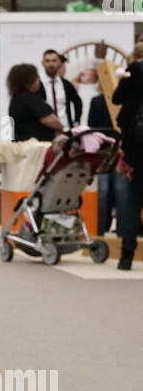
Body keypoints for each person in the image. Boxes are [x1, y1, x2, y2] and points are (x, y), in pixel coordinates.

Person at [110, 56, 143, 269]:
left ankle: (126, 257)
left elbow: (116, 98)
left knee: (133, 201)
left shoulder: (134, 70)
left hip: (137, 147)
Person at [87, 80, 122, 235]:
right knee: (110, 191)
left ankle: (101, 228)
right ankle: (105, 228)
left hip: (109, 150)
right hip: (108, 150)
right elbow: (92, 127)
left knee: (107, 190)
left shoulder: (97, 101)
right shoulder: (97, 102)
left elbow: (92, 127)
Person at [7, 64, 63, 142]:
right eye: (37, 77)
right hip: (38, 147)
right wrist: (61, 127)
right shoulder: (31, 100)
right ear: (31, 80)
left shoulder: (15, 99)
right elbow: (50, 120)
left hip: (20, 145)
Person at [37, 49, 82, 130]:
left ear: (59, 63)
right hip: (45, 132)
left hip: (65, 130)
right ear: (43, 63)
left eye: (54, 60)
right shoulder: (38, 85)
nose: (51, 64)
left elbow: (78, 102)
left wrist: (76, 121)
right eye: (47, 61)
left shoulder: (66, 84)